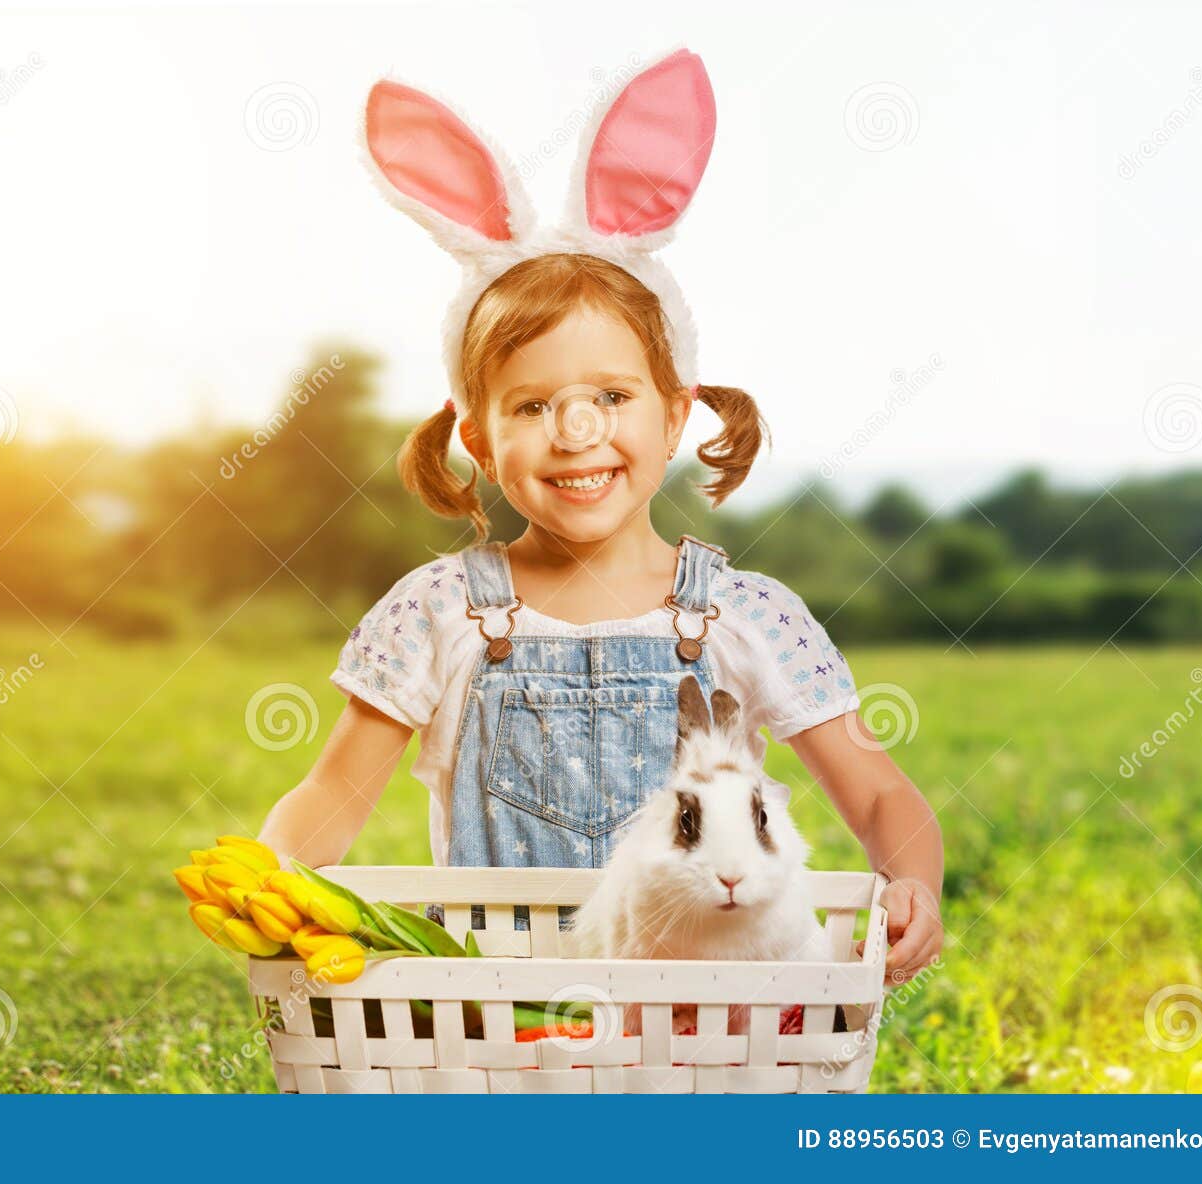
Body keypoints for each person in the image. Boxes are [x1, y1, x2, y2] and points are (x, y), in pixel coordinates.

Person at [258, 48, 941, 984]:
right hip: (500, 1015)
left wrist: (913, 884)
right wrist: (275, 883)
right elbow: (335, 791)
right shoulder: (440, 610)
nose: (577, 433)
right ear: (480, 438)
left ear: (673, 415)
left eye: (611, 397)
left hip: (704, 1022)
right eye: (533, 407)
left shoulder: (748, 616)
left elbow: (877, 796)